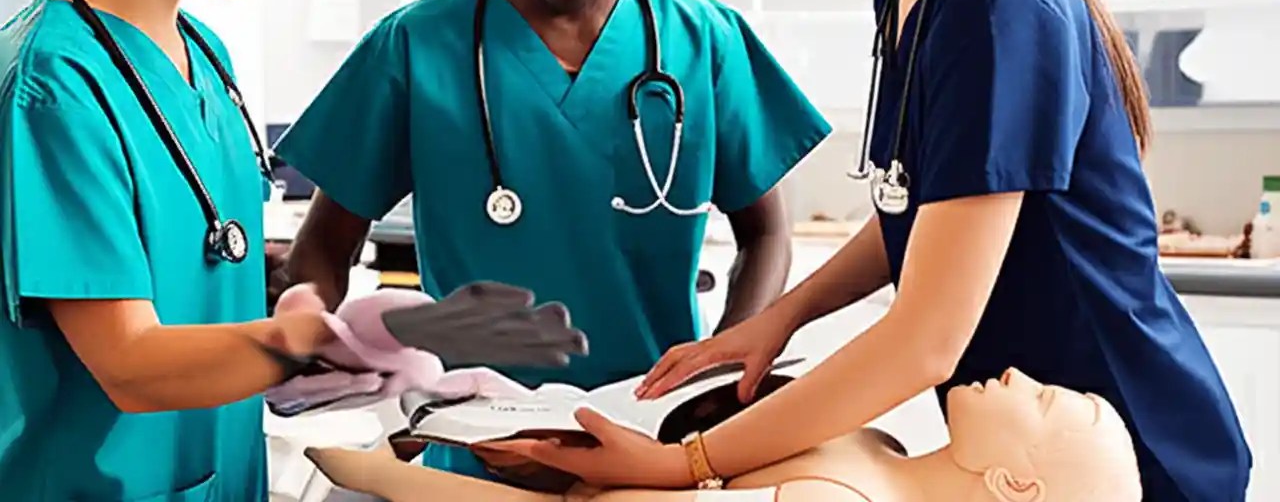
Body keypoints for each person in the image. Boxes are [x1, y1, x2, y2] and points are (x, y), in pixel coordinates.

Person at [484, 0, 1252, 501]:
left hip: (1121, 445)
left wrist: (683, 464)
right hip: (1009, 453)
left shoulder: (1001, 11)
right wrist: (778, 319)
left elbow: (923, 343)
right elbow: (916, 207)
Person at [271, 0, 831, 484]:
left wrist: (718, 373)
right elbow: (324, 242)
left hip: (648, 453)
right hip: (470, 456)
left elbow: (766, 233)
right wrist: (313, 338)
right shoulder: (416, 48)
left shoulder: (704, 43)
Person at [0, 0, 317, 500]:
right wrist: (307, 346)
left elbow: (205, 262)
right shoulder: (52, 89)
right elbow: (131, 362)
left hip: (221, 469)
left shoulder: (204, 54)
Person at [309, 368, 1142, 502]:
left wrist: (390, 479)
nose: (1023, 378)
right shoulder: (877, 449)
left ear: (1012, 485)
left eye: (1045, 406)